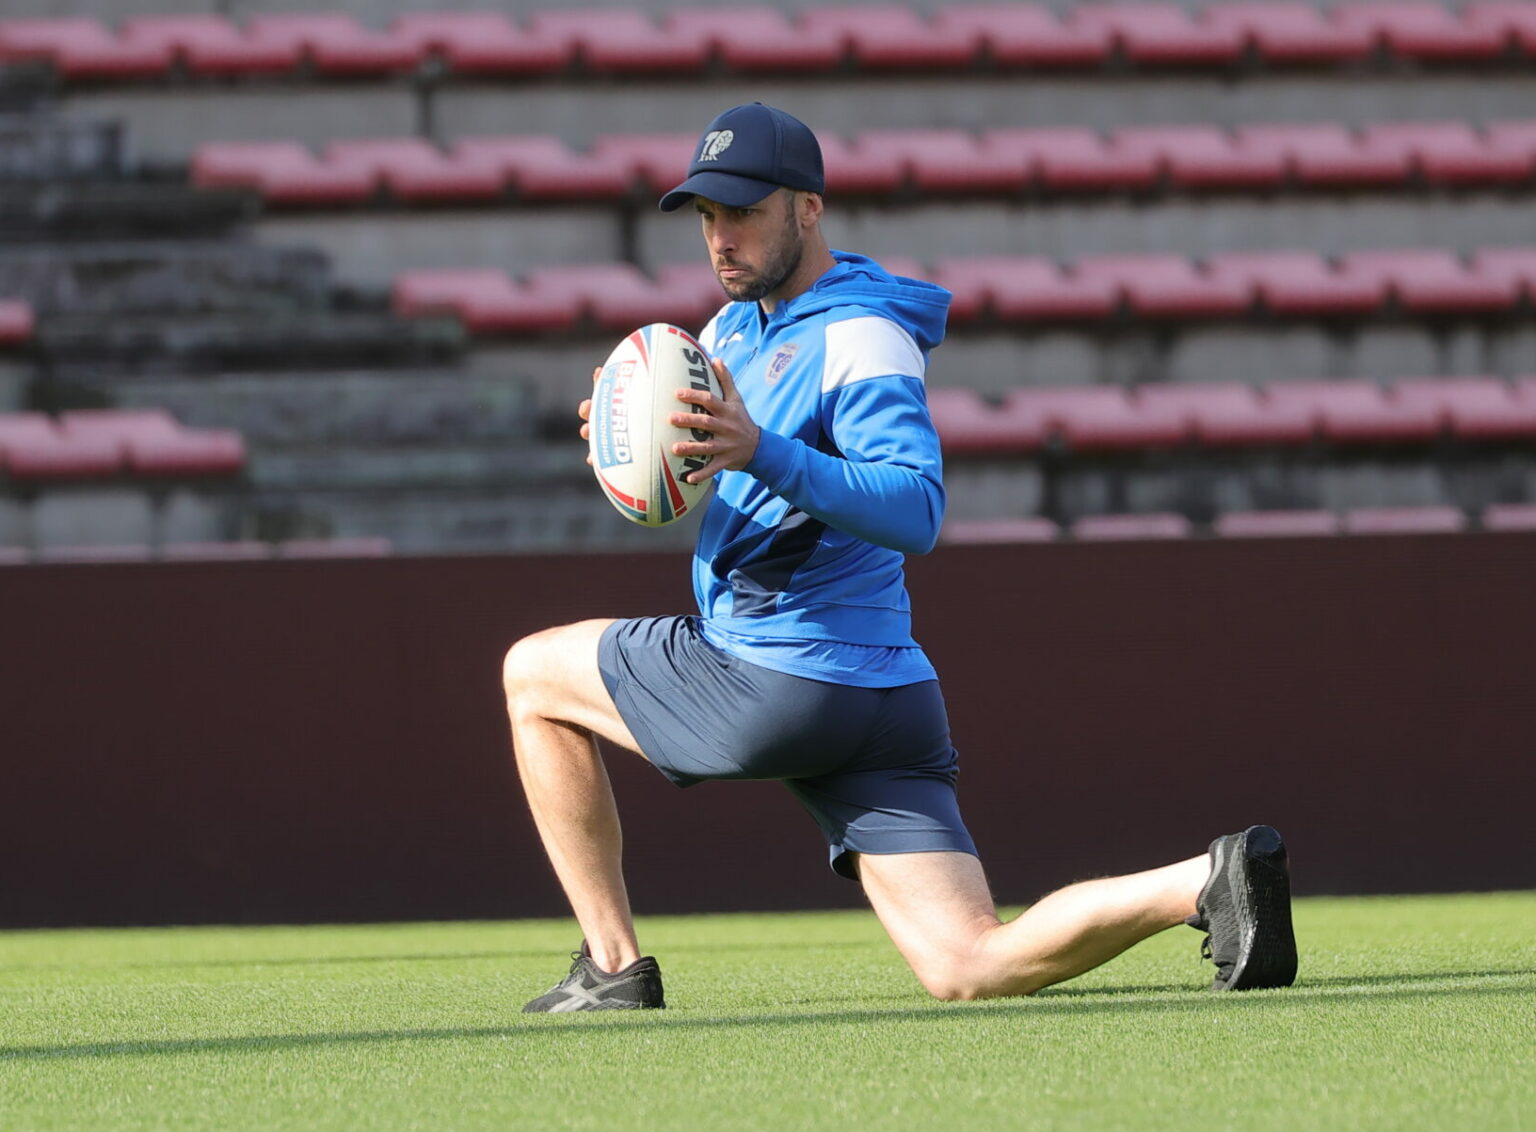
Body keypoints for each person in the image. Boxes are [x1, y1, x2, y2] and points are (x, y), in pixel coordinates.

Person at [504, 102, 1297, 1012]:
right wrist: (629, 448)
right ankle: (1206, 880)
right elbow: (705, 472)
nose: (721, 237)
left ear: (808, 208)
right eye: (707, 216)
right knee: (970, 965)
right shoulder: (726, 335)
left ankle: (610, 967)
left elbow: (917, 506)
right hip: (880, 700)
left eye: (745, 211)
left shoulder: (860, 334)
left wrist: (758, 448)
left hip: (778, 677)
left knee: (531, 675)